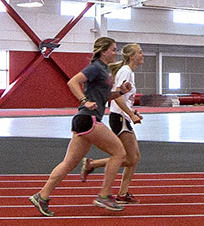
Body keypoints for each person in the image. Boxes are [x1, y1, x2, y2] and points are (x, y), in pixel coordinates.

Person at [29, 36, 135, 216]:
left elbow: (103, 96)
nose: (116, 53)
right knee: (120, 153)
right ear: (104, 51)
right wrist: (84, 100)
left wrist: (121, 92)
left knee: (69, 162)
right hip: (89, 119)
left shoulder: (105, 70)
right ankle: (104, 195)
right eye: (113, 49)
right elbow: (72, 81)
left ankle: (42, 196)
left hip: (84, 121)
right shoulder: (95, 67)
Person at [80, 42, 144, 203]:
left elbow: (125, 98)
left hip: (124, 117)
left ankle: (123, 193)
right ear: (131, 56)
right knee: (129, 158)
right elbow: (117, 97)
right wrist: (130, 114)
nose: (142, 55)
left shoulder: (130, 72)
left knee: (134, 158)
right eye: (140, 52)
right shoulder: (125, 71)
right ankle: (92, 164)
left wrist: (133, 112)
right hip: (119, 117)